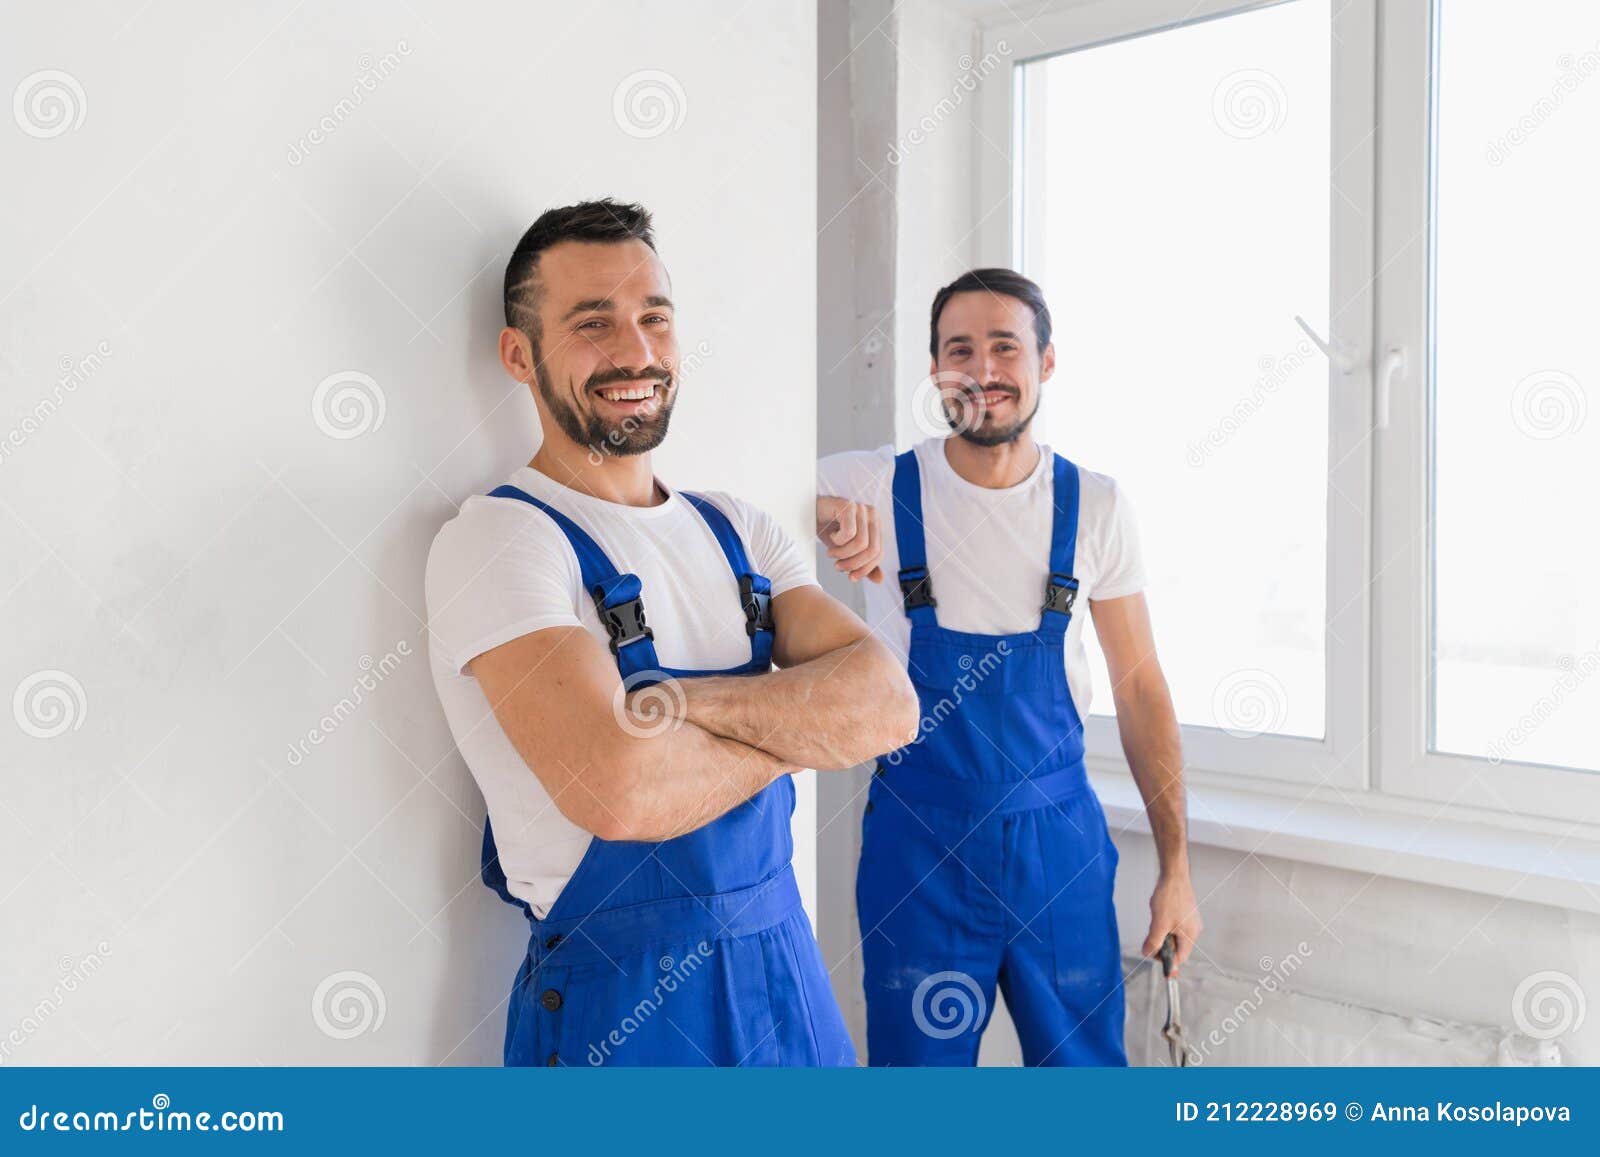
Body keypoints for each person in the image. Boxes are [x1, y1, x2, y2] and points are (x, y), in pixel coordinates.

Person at [426, 199, 918, 1066]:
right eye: (593, 323)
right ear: (519, 355)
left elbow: (889, 708)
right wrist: (803, 723)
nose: (637, 351)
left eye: (655, 317)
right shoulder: (502, 539)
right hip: (621, 1009)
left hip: (789, 981)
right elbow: (620, 792)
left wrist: (676, 709)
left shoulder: (739, 529)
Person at [816, 268, 1201, 1066]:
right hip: (917, 848)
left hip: (1058, 849)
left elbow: (1139, 688)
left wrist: (1177, 869)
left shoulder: (1095, 505)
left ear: (1046, 362)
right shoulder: (873, 483)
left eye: (1005, 347)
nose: (983, 370)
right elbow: (732, 487)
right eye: (960, 350)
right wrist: (818, 512)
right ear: (934, 370)